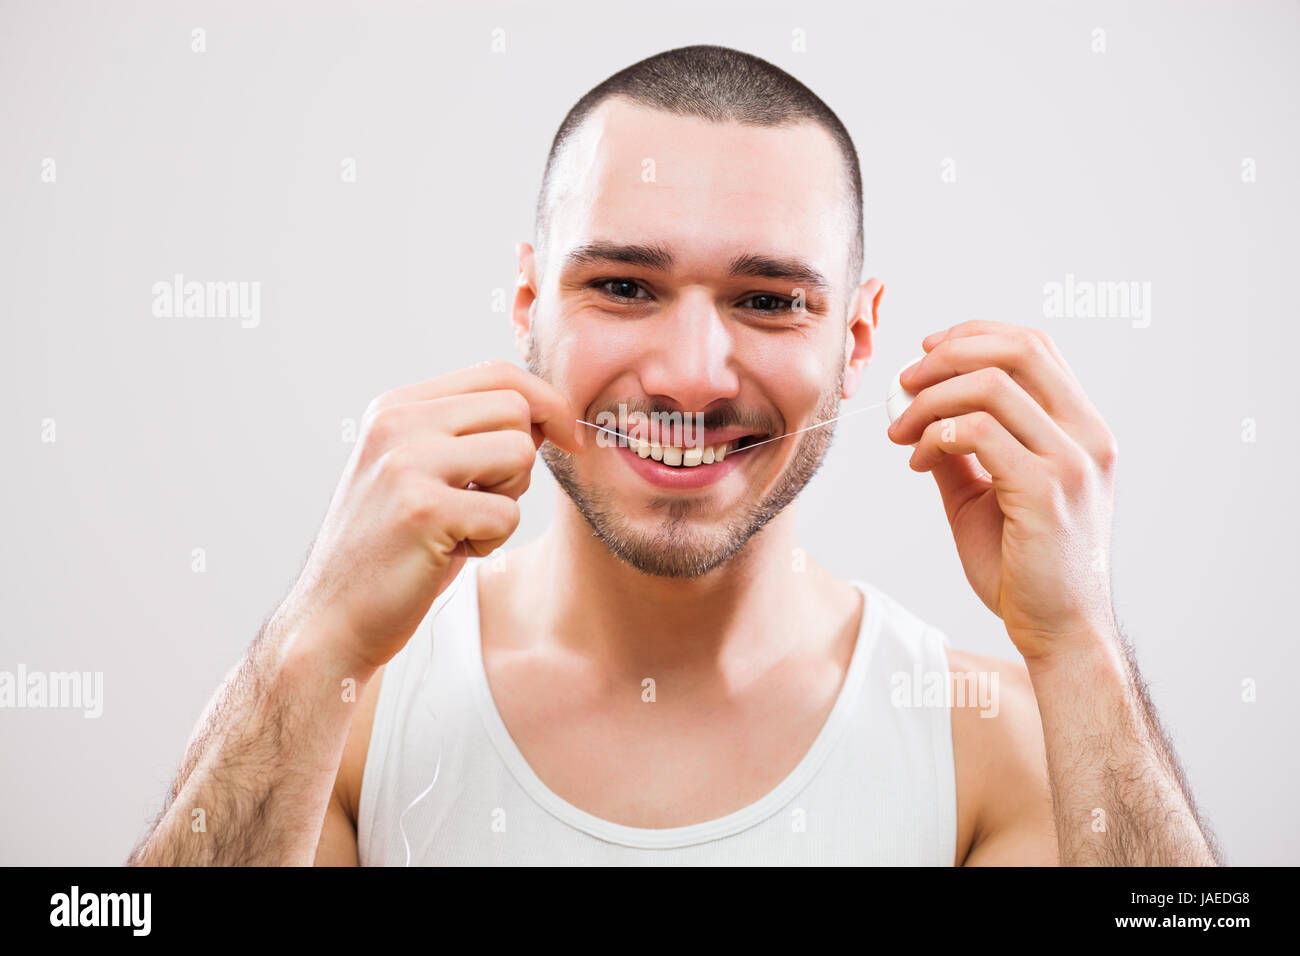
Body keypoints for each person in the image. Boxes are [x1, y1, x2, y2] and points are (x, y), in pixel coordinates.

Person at [128, 44, 1221, 866]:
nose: (691, 373)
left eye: (767, 298)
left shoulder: (995, 744)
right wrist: (315, 637)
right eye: (622, 286)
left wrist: (1077, 642)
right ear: (527, 299)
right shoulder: (345, 712)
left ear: (854, 336)